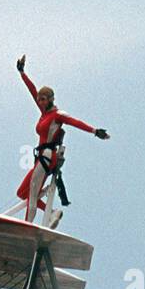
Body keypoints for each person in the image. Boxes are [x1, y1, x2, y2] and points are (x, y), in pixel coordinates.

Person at [14, 55, 109, 225]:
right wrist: (22, 73)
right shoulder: (44, 113)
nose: (40, 102)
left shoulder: (57, 115)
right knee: (23, 193)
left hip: (48, 156)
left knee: (33, 193)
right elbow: (32, 90)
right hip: (41, 157)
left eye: (43, 99)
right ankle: (52, 212)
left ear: (50, 99)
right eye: (39, 100)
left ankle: (27, 227)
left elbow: (75, 122)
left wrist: (95, 131)